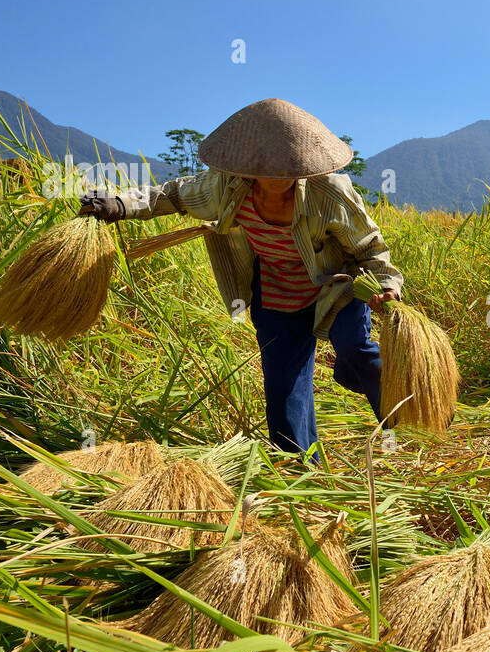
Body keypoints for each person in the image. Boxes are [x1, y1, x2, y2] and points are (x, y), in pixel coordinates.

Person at [79, 98, 402, 456]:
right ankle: (298, 467)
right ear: (250, 165)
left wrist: (387, 285)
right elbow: (171, 195)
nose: (282, 175)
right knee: (284, 392)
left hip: (336, 289)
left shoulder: (330, 193)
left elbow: (370, 247)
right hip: (278, 298)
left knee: (356, 353)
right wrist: (120, 205)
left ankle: (405, 417)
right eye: (271, 167)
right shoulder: (226, 188)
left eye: (291, 166)